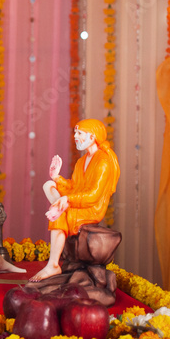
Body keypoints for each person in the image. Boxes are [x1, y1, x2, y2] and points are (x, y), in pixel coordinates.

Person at [30, 118, 120, 282]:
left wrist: (68, 199)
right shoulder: (81, 161)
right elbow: (74, 186)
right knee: (48, 184)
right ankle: (60, 207)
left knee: (63, 214)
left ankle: (53, 265)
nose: (75, 137)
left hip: (92, 207)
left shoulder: (103, 161)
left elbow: (93, 195)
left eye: (79, 133)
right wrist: (56, 178)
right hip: (78, 199)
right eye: (75, 133)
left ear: (92, 137)